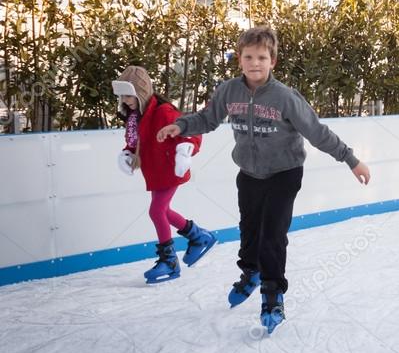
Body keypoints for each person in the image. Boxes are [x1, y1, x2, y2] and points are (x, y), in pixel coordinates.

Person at [156, 27, 371, 335]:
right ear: (239, 60)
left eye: (261, 57)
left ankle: (272, 293)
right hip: (249, 173)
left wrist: (351, 159)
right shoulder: (230, 91)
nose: (254, 63)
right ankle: (251, 272)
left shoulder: (285, 98)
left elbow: (317, 132)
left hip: (285, 173)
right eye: (248, 57)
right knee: (249, 230)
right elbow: (208, 118)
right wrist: (180, 126)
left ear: (273, 61)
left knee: (272, 233)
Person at [113, 66, 214, 284]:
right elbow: (138, 141)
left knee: (156, 211)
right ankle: (198, 236)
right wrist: (128, 152)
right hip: (155, 171)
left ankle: (169, 261)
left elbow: (191, 130)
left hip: (171, 169)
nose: (125, 99)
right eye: (122, 95)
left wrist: (185, 150)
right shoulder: (136, 116)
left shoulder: (163, 111)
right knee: (164, 211)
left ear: (141, 92)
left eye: (128, 94)